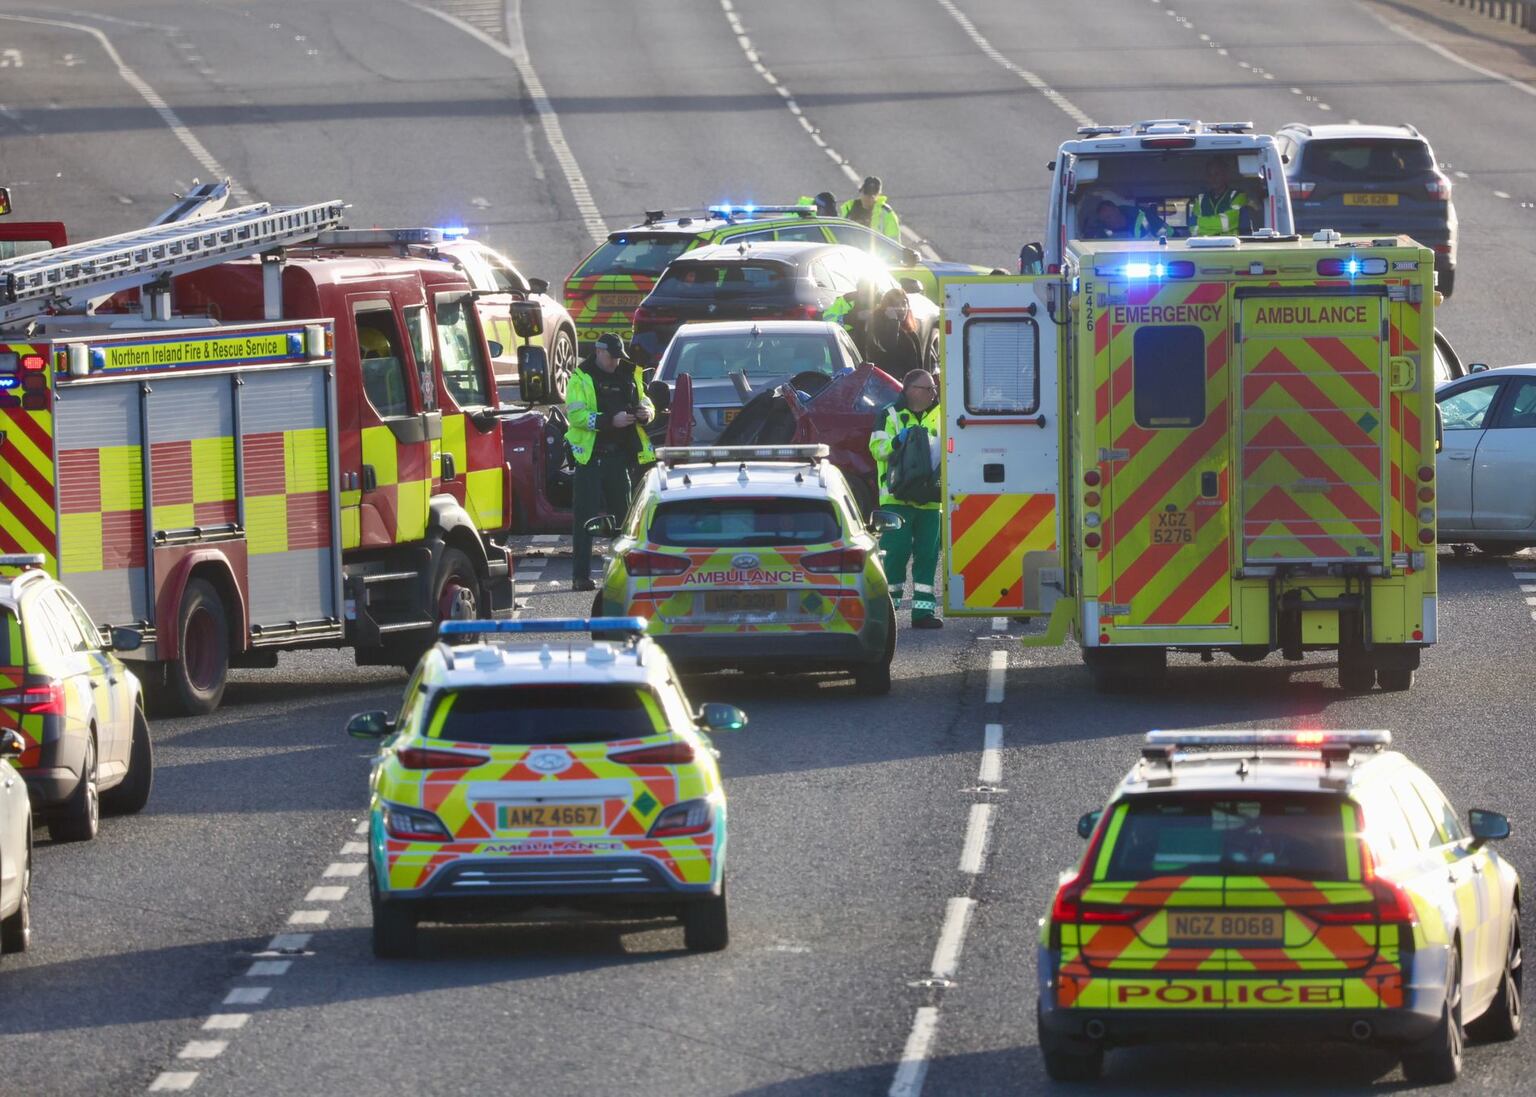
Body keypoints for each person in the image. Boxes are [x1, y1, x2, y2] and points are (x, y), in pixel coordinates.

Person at [565, 332, 655, 591]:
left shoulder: (629, 372)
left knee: (624, 519)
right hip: (591, 457)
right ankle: (580, 577)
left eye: (619, 357)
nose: (615, 363)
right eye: (611, 358)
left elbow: (645, 399)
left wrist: (645, 412)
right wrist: (609, 421)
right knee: (585, 519)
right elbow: (577, 416)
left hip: (619, 456)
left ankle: (623, 575)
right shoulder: (581, 377)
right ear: (599, 352)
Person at [869, 369, 943, 629]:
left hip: (931, 499)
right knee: (896, 555)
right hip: (896, 499)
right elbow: (876, 449)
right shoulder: (889, 414)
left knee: (928, 555)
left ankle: (923, 613)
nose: (933, 393)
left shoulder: (940, 414)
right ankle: (888, 611)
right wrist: (898, 442)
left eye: (933, 389)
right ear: (911, 390)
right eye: (928, 389)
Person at [1191, 158, 1254, 236]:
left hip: (1230, 246)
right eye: (1210, 175)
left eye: (1217, 174)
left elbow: (1226, 223)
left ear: (1225, 175)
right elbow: (1193, 228)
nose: (1213, 178)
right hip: (1204, 247)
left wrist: (1200, 223)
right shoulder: (1200, 199)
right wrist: (1218, 226)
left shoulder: (1238, 196)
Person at [839, 176, 901, 240]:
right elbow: (839, 233)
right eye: (866, 193)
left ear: (879, 195)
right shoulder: (848, 209)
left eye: (873, 196)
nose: (869, 198)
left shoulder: (886, 214)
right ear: (861, 191)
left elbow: (894, 241)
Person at [1083, 198, 1162, 240]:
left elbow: (1166, 233)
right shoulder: (1103, 232)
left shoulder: (1142, 216)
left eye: (1109, 217)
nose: (1108, 221)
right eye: (1104, 220)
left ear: (1116, 210)